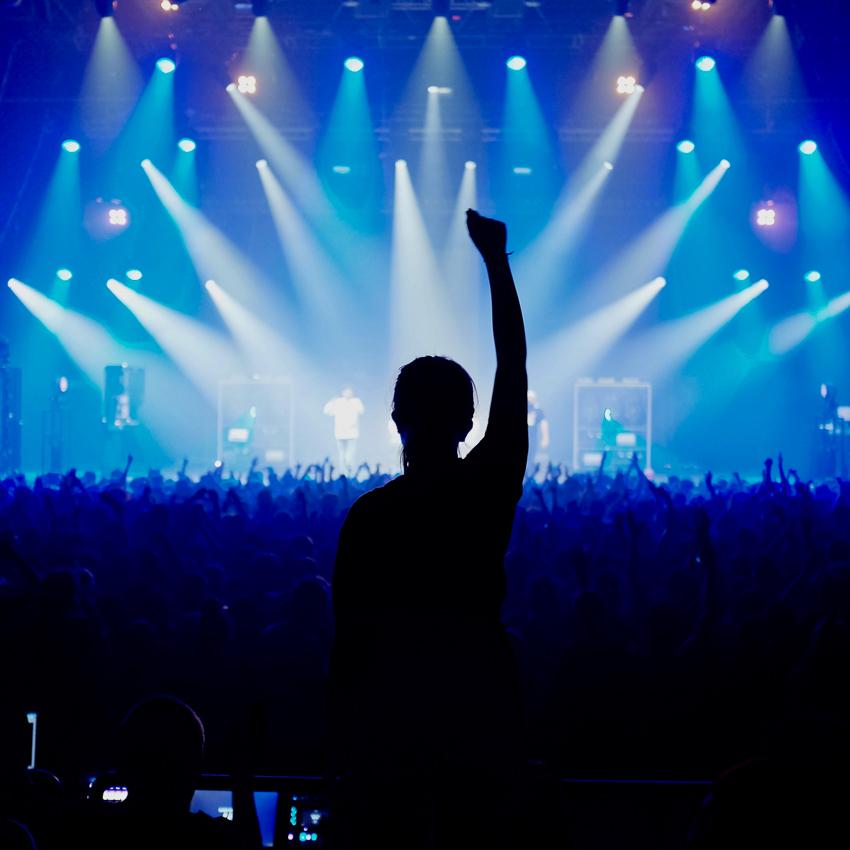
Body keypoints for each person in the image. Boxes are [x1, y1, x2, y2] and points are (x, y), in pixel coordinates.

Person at [324, 210, 527, 849]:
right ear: (469, 421)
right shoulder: (487, 489)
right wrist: (496, 262)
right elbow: (513, 362)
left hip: (391, 727)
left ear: (395, 419)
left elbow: (347, 647)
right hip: (479, 714)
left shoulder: (370, 516)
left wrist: (337, 756)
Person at [324, 388, 364, 477]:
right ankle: (343, 474)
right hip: (340, 434)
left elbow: (361, 411)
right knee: (342, 457)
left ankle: (349, 474)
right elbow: (327, 411)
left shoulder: (356, 401)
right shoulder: (338, 402)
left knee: (349, 456)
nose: (349, 394)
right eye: (347, 392)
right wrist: (332, 401)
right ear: (343, 392)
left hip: (352, 434)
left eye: (350, 392)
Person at [527, 389, 549, 475]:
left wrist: (545, 438)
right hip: (520, 438)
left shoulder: (538, 411)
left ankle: (530, 474)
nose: (529, 399)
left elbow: (544, 424)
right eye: (528, 397)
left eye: (531, 398)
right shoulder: (519, 409)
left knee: (531, 457)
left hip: (532, 439)